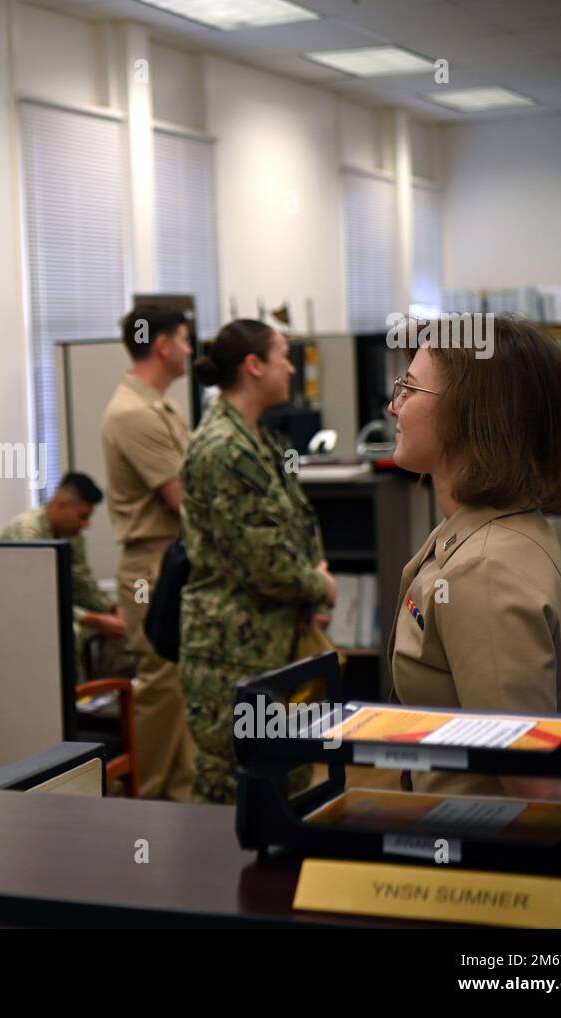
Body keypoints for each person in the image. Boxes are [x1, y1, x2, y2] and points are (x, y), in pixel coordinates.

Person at [387, 314, 561, 799]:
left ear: (469, 413)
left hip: (476, 860)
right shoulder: (491, 531)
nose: (394, 406)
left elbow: (534, 783)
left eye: (410, 389)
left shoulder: (485, 569)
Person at [179, 320, 335, 804]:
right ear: (253, 365)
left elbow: (295, 523)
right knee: (239, 789)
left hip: (275, 643)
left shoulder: (258, 439)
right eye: (283, 355)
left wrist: (315, 578)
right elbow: (261, 562)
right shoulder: (224, 449)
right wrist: (319, 586)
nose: (291, 366)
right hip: (235, 653)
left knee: (288, 779)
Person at [100, 304, 198, 801]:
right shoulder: (133, 412)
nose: (189, 348)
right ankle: (155, 801)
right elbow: (186, 494)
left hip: (172, 559)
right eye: (183, 338)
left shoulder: (161, 405)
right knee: (161, 684)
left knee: (181, 684)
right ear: (161, 344)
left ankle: (183, 797)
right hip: (151, 563)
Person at [0, 472, 132, 680]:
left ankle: (115, 698)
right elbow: (36, 598)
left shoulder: (72, 536)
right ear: (61, 505)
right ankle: (70, 706)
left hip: (54, 609)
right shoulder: (28, 533)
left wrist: (112, 609)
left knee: (122, 630)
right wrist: (95, 619)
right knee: (69, 633)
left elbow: (83, 584)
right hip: (17, 614)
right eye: (83, 516)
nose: (86, 525)